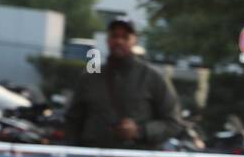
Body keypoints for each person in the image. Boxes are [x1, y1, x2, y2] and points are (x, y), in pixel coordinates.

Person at [64, 17, 183, 149]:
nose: (119, 41)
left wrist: (140, 131)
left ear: (134, 40)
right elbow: (73, 121)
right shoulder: (90, 77)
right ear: (107, 40)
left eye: (125, 37)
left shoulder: (152, 77)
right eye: (114, 36)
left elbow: (173, 123)